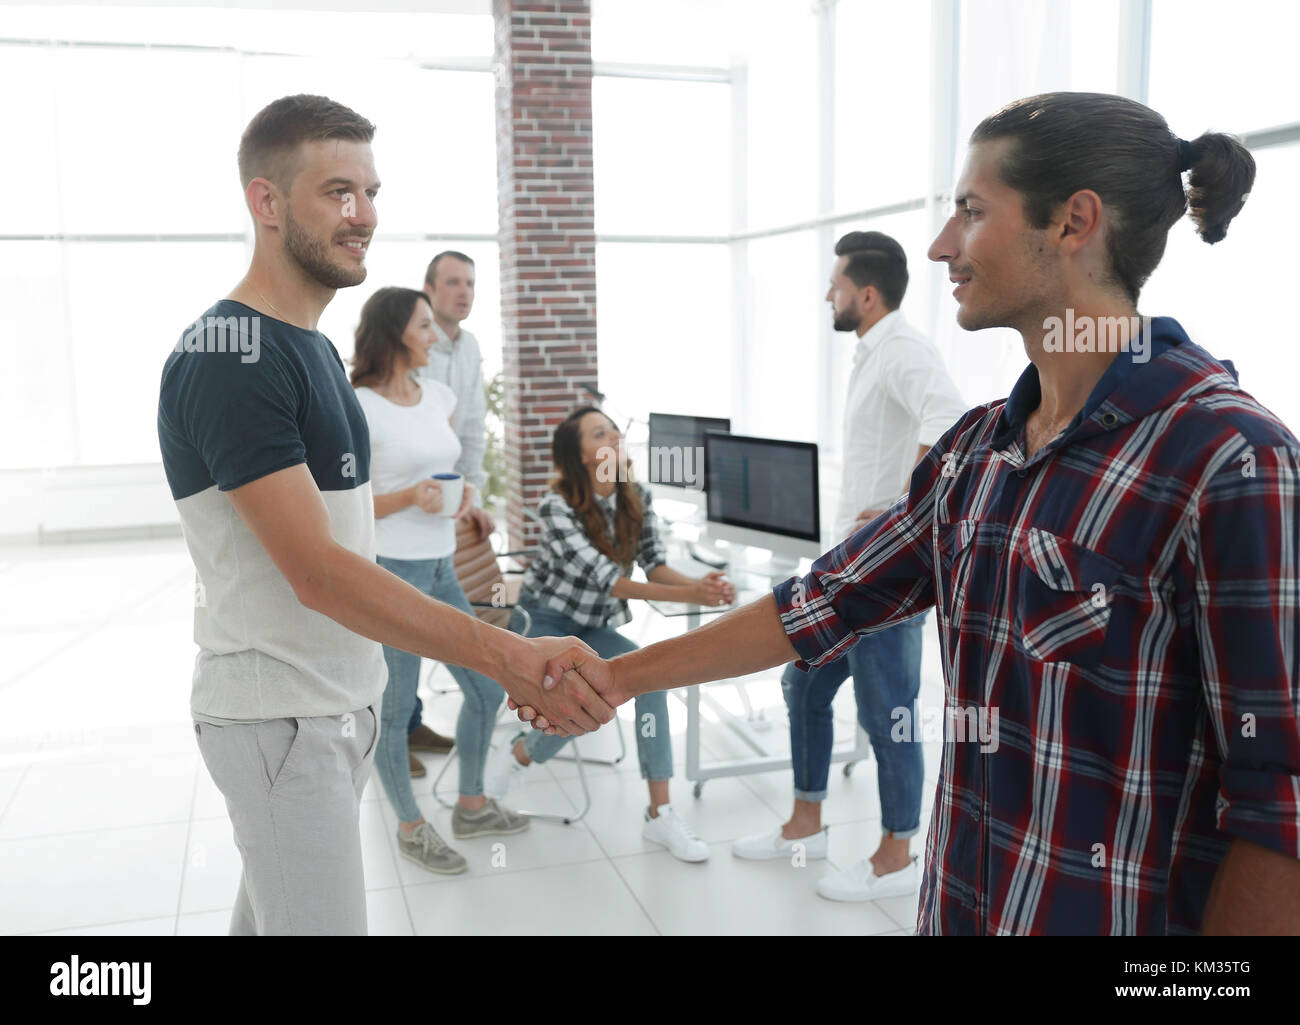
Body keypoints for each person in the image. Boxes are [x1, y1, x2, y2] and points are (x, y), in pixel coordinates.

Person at [518, 92, 1300, 935]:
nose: (939, 247)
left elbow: (1279, 806)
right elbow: (822, 600)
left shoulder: (1231, 461)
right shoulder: (976, 453)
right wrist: (617, 676)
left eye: (970, 211)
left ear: (1074, 222)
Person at [157, 94, 612, 936]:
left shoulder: (316, 349)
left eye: (370, 191)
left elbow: (342, 526)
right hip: (280, 719)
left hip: (337, 702)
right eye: (337, 191)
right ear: (265, 202)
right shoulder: (230, 357)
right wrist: (503, 650)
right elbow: (319, 572)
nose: (363, 214)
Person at [732, 231, 968, 903]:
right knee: (804, 685)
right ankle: (805, 822)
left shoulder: (904, 351)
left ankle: (897, 854)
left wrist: (900, 511)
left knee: (887, 708)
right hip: (846, 569)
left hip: (885, 578)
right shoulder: (874, 351)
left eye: (835, 285)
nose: (827, 295)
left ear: (866, 293)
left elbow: (950, 425)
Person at [483, 406, 735, 861]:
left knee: (651, 680)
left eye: (616, 430)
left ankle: (659, 816)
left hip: (594, 627)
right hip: (545, 623)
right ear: (578, 455)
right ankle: (521, 754)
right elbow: (610, 581)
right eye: (601, 433)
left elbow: (655, 563)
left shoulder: (636, 494)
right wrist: (693, 593)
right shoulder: (556, 506)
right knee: (585, 697)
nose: (616, 437)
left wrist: (701, 587)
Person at [352, 286, 529, 874]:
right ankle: (410, 825)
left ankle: (472, 804)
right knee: (397, 710)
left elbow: (445, 466)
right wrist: (412, 497)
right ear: (396, 333)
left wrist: (466, 499)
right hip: (391, 574)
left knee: (484, 689)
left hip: (442, 563)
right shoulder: (359, 406)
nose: (437, 335)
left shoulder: (439, 395)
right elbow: (344, 507)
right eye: (425, 326)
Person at [403, 250, 495, 767]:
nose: (464, 292)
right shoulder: (414, 340)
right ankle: (397, 730)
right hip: (410, 502)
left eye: (471, 284)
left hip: (448, 503)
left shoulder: (471, 345)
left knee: (433, 617)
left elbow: (473, 427)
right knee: (405, 622)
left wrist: (472, 496)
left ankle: (408, 724)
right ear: (430, 288)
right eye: (454, 282)